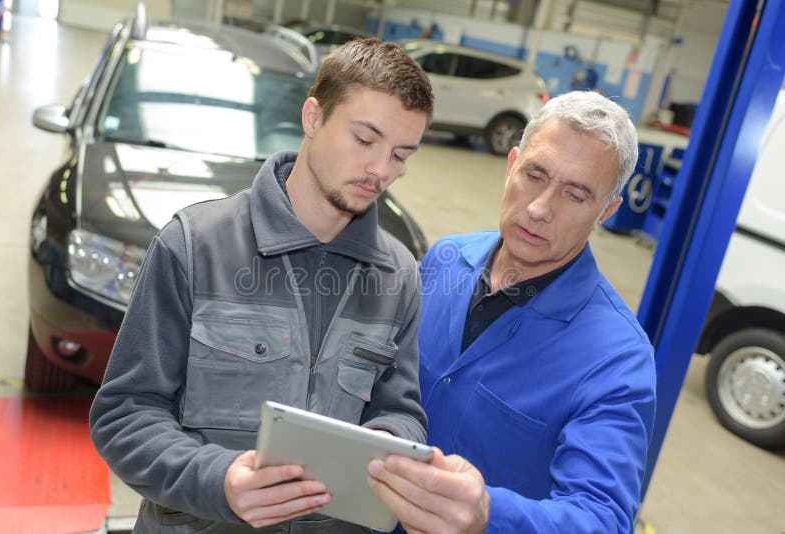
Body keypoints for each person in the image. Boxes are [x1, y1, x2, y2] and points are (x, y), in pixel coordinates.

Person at [89, 38, 434, 533]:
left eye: (401, 154)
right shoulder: (193, 245)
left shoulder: (398, 274)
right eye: (365, 139)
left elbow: (401, 411)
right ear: (313, 117)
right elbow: (125, 414)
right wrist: (217, 480)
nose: (381, 170)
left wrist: (382, 444)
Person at [367, 91, 657, 533]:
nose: (540, 208)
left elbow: (602, 519)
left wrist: (487, 514)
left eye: (575, 195)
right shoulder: (446, 259)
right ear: (511, 163)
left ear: (607, 211)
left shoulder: (617, 359)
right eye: (534, 175)